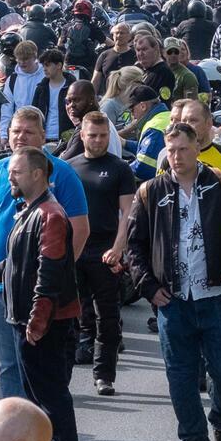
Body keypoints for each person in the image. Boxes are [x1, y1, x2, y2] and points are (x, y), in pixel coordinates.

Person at [126, 123, 221, 441]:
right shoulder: (150, 192)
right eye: (170, 151)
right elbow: (134, 247)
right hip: (173, 303)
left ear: (198, 148)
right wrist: (147, 286)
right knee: (181, 378)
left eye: (182, 150)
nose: (176, 157)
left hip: (216, 298)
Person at [0, 107, 90, 402]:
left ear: (42, 136)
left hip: (41, 291)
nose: (21, 137)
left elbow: (80, 229)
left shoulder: (61, 174)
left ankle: (42, 433)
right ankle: (15, 430)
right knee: (8, 365)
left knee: (39, 367)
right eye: (16, 131)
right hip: (1, 289)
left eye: (28, 131)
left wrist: (57, 276)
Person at [4, 148, 82, 441]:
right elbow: (19, 265)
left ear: (37, 174)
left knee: (49, 396)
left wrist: (37, 322)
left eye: (17, 172)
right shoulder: (31, 211)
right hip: (31, 320)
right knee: (40, 395)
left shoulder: (48, 214)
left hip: (46, 323)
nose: (12, 177)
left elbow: (48, 274)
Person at [67, 111, 135, 396]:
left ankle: (104, 375)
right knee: (73, 314)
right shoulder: (69, 167)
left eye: (103, 136)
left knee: (106, 316)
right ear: (82, 135)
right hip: (74, 249)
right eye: (92, 135)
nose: (97, 141)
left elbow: (128, 214)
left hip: (106, 249)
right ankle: (66, 372)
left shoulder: (119, 169)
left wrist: (119, 248)